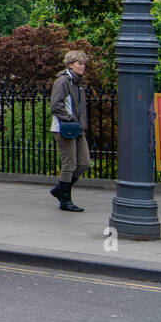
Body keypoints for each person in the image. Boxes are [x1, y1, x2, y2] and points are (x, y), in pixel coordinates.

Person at [50, 50, 91, 213]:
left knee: (84, 163)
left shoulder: (77, 81)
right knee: (70, 164)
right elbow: (55, 106)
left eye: (84, 64)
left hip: (77, 128)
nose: (82, 66)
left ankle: (60, 189)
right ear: (70, 64)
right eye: (79, 63)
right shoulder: (63, 81)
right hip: (64, 128)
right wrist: (70, 119)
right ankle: (65, 201)